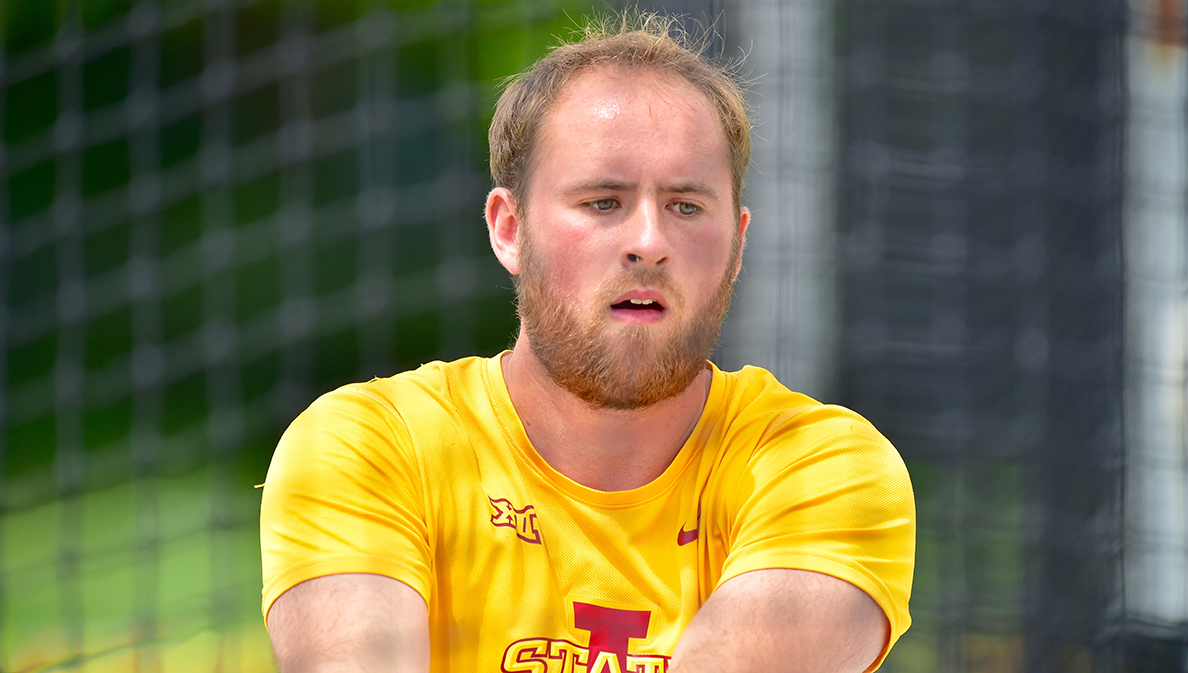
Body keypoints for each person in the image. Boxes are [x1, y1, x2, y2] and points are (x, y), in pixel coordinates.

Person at [260, 12, 915, 673]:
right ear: (509, 229)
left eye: (686, 205)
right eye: (604, 201)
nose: (650, 243)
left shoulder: (827, 467)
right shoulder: (367, 445)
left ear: (738, 243)